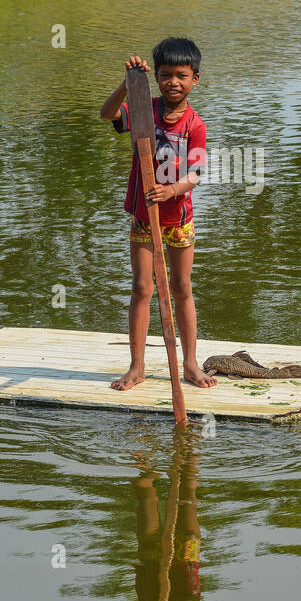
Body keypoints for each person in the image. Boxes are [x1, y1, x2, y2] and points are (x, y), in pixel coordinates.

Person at [100, 37, 216, 390]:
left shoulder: (195, 125)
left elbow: (195, 174)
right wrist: (128, 84)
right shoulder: (143, 110)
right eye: (165, 75)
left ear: (195, 79)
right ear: (157, 78)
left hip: (178, 218)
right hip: (143, 215)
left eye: (182, 75)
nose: (173, 82)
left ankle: (191, 365)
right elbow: (107, 114)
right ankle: (136, 367)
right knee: (141, 287)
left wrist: (171, 190)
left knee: (182, 287)